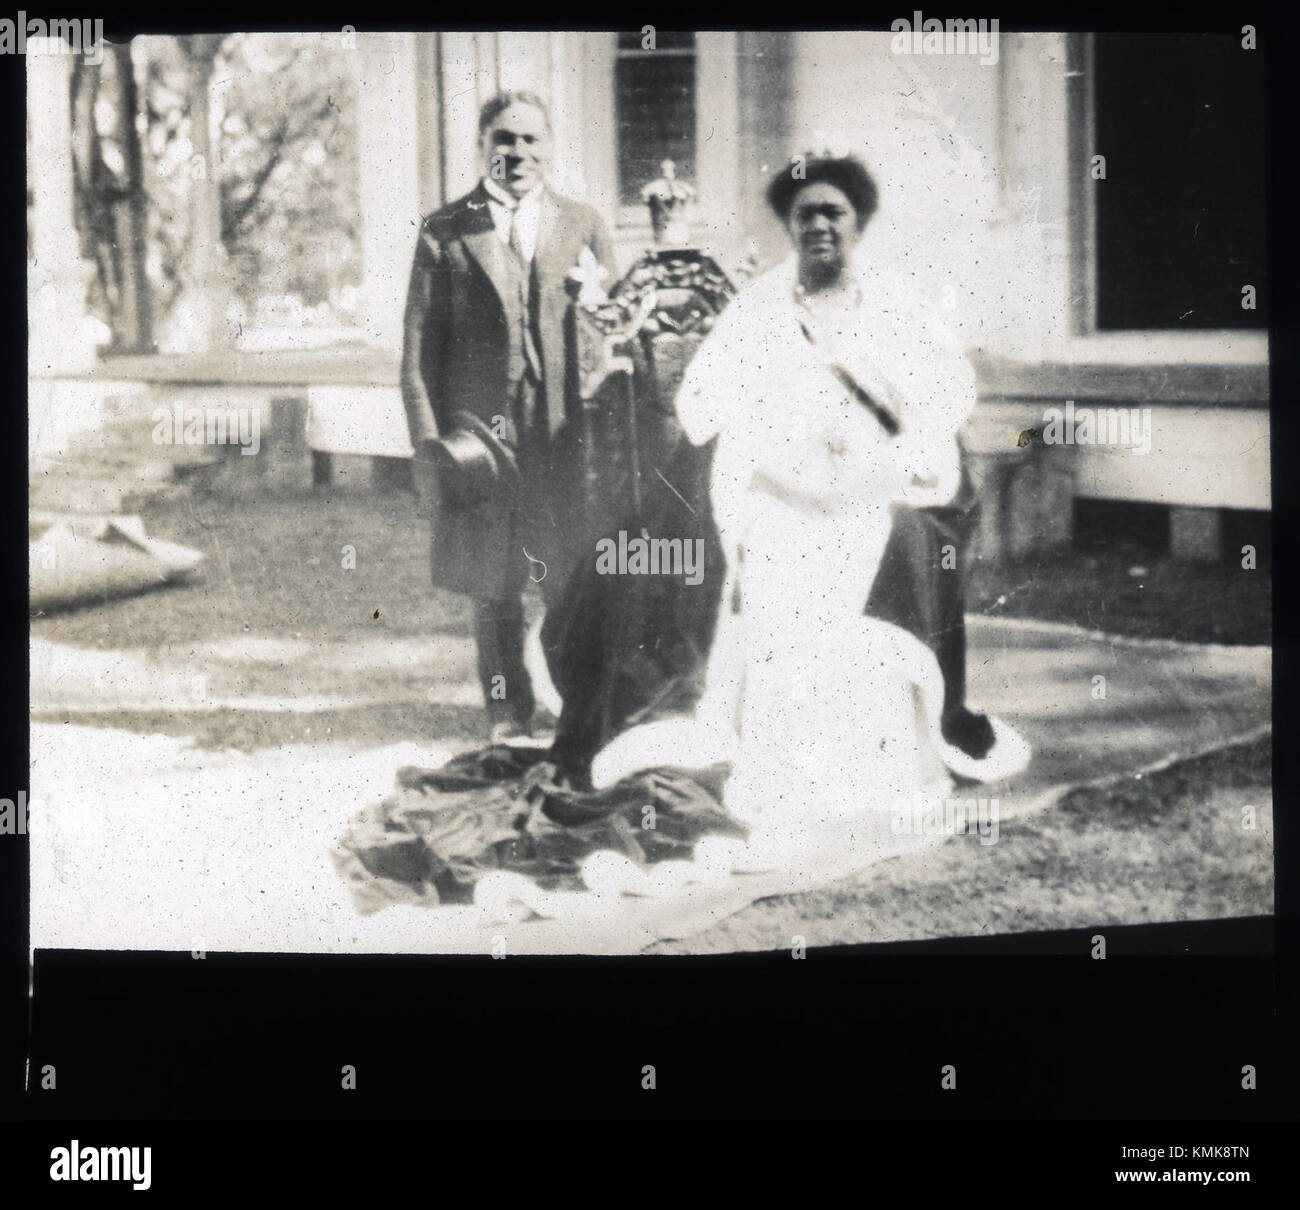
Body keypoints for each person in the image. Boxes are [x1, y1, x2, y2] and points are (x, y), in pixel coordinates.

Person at [590, 147, 1030, 846]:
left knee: (876, 563)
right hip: (785, 497)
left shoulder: (892, 303)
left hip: (870, 495)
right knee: (776, 573)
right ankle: (785, 763)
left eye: (834, 212)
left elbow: (945, 394)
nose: (820, 225)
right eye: (806, 215)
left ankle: (876, 764)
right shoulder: (763, 305)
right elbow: (704, 403)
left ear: (858, 223)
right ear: (789, 226)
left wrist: (893, 455)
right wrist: (775, 447)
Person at [399, 91, 616, 743]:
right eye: (504, 140)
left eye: (530, 140)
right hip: (479, 441)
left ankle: (576, 701)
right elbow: (415, 360)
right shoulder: (446, 231)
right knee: (492, 583)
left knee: (567, 574)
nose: (517, 153)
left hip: (562, 437)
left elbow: (613, 335)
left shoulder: (583, 224)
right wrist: (430, 453)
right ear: (482, 148)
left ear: (549, 148)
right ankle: (505, 709)